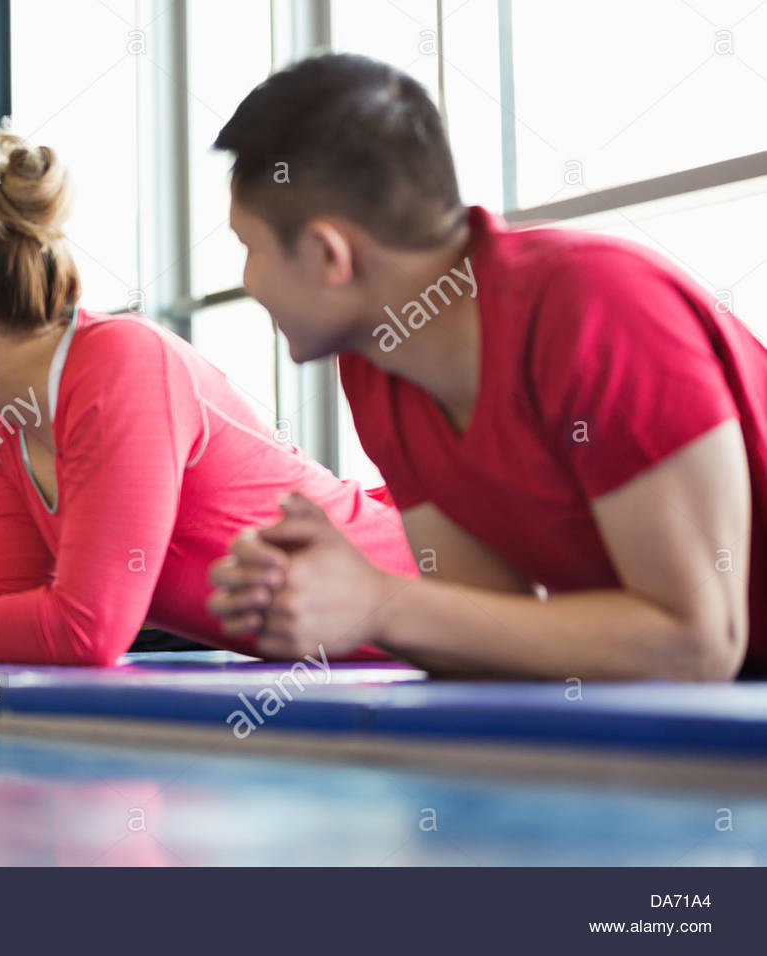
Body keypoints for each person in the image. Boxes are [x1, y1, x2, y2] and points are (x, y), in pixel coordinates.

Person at [0, 129, 416, 665]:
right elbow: (2, 604)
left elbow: (87, 630)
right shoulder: (3, 416)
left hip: (423, 590)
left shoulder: (122, 363)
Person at [206, 52, 767, 680]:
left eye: (249, 248)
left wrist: (380, 603)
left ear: (327, 254)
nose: (249, 283)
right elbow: (491, 627)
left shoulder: (598, 309)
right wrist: (320, 598)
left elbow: (697, 641)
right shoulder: (379, 363)